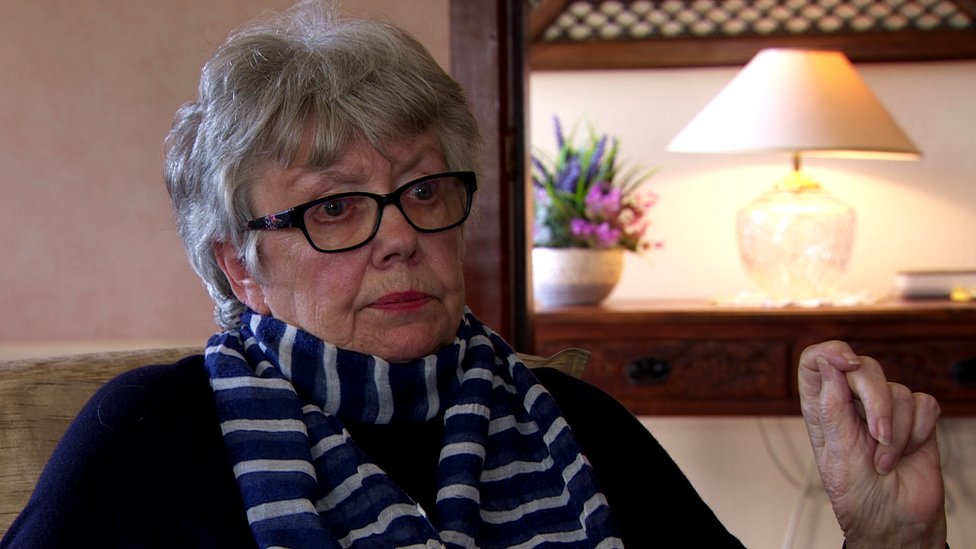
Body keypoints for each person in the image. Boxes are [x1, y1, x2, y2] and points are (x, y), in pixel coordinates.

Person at [1, 1, 947, 548]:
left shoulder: (577, 425)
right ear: (238, 266)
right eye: (334, 207)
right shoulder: (148, 437)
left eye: (423, 190)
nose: (398, 237)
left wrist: (890, 539)